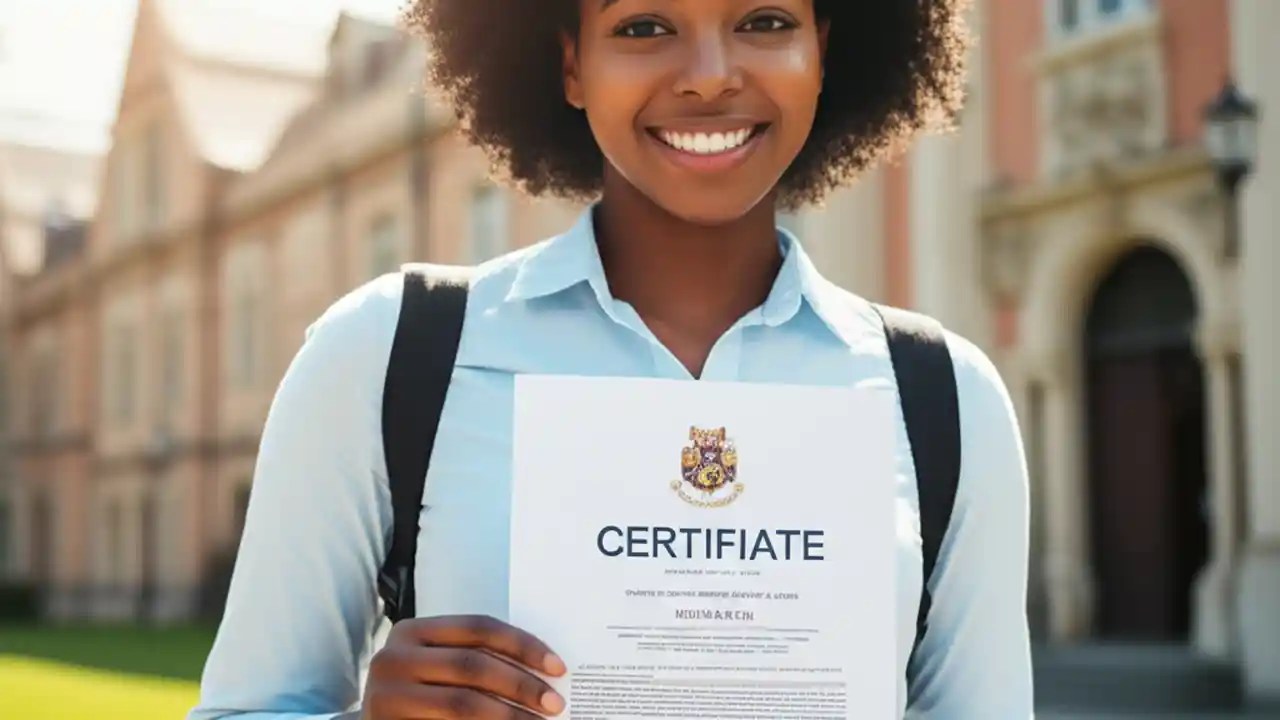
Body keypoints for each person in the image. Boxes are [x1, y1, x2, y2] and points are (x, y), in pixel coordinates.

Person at [190, 0, 1033, 718]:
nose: (709, 74)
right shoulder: (386, 354)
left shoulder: (945, 397)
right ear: (570, 65)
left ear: (824, 53)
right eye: (645, 25)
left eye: (765, 20)